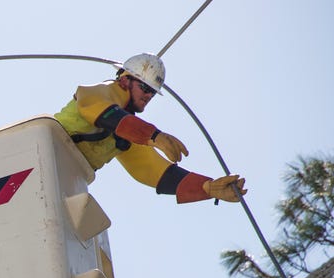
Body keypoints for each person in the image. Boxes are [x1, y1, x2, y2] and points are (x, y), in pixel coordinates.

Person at [54, 53, 246, 203]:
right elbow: (103, 113)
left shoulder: (125, 131)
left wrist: (206, 187)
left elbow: (150, 169)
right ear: (124, 80)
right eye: (145, 88)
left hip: (66, 176)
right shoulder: (98, 92)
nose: (148, 96)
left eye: (152, 93)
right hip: (44, 147)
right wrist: (154, 136)